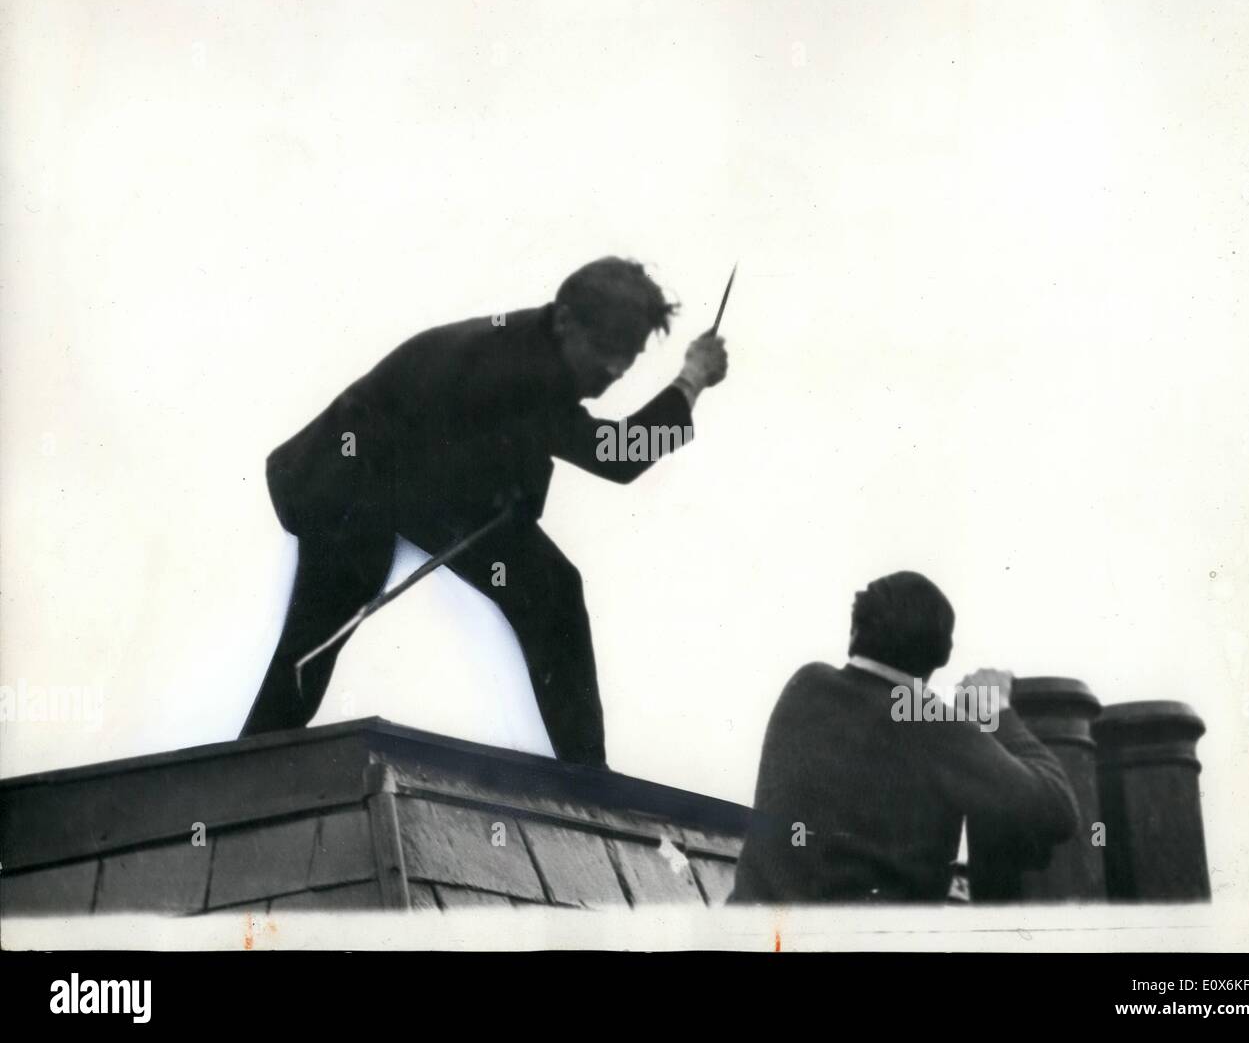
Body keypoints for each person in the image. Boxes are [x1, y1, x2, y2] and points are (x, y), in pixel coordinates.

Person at [239, 257, 728, 768]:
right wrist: (691, 380)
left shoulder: (537, 348)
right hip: (348, 481)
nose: (612, 372)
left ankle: (244, 766)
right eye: (605, 350)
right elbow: (618, 456)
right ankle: (588, 773)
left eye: (625, 357)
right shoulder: (522, 369)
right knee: (318, 642)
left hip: (414, 476)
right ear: (565, 322)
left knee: (549, 590)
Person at [729, 570, 1079, 903]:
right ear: (941, 655)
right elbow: (1057, 809)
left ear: (855, 633)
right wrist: (996, 712)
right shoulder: (932, 725)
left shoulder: (805, 685)